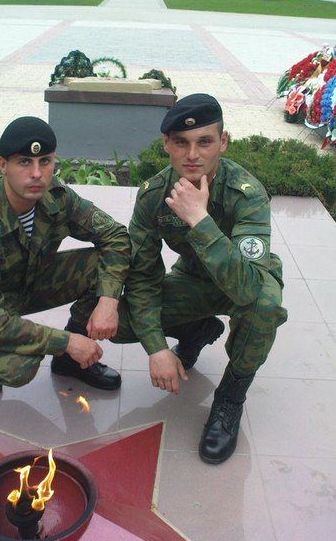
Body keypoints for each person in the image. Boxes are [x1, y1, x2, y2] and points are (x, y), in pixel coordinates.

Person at [116, 93, 288, 464]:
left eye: (205, 142)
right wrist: (156, 347)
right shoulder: (153, 196)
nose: (193, 154)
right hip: (194, 279)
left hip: (245, 280)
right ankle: (195, 331)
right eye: (181, 142)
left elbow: (248, 287)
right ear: (166, 144)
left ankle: (230, 399)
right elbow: (142, 278)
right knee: (117, 320)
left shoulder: (247, 194)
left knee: (264, 306)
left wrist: (200, 219)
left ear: (222, 142)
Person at [0, 116, 131, 395]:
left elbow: (116, 236)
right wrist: (66, 341)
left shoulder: (57, 196)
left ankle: (70, 363)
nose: (37, 173)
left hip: (29, 279)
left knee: (104, 264)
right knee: (17, 368)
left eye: (45, 161)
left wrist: (108, 300)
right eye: (24, 162)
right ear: (3, 165)